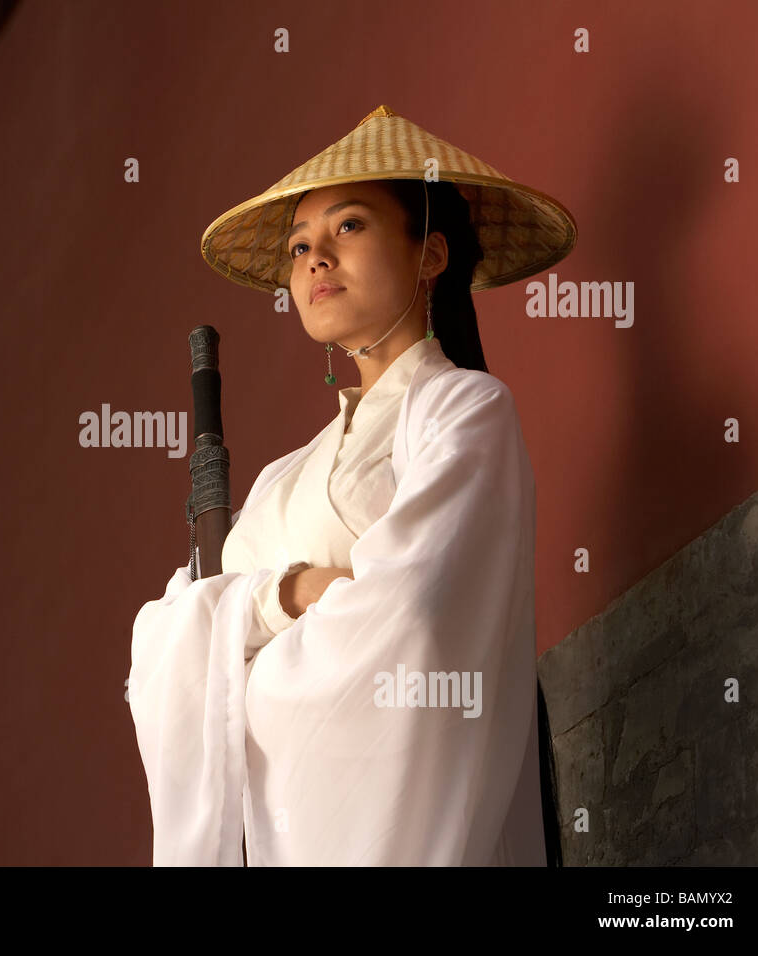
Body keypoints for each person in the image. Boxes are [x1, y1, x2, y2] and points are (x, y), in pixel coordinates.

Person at [128, 105, 578, 866]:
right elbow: (162, 652)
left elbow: (411, 625)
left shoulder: (464, 409)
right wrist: (296, 594)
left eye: (349, 229)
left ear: (430, 253)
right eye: (301, 246)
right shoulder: (280, 481)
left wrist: (246, 654)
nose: (314, 260)